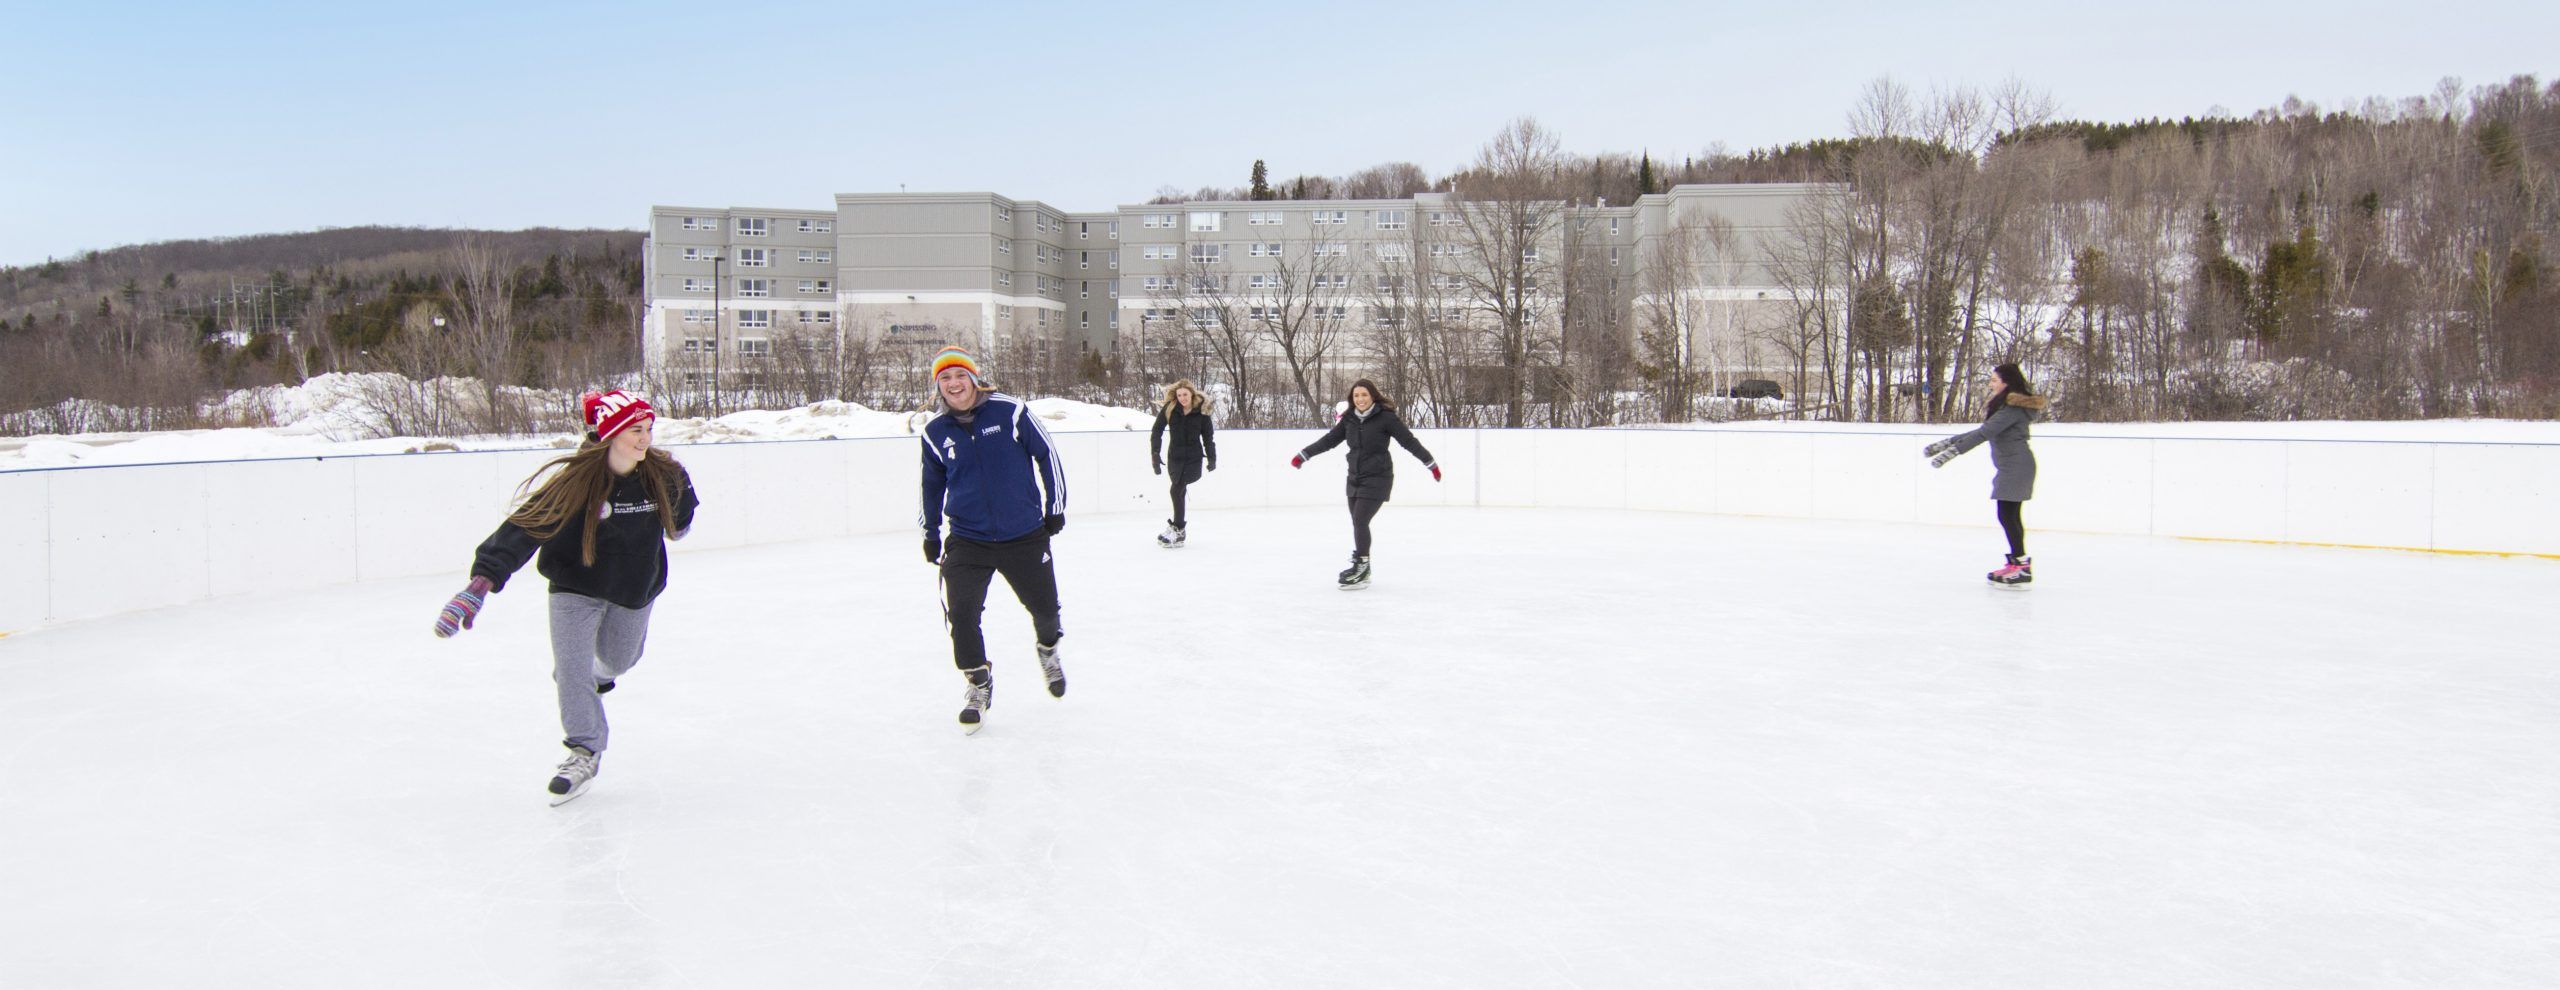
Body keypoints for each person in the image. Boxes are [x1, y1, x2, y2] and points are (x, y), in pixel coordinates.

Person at [432, 389, 700, 804]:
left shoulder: (663, 475)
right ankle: (583, 751)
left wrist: (680, 509)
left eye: (648, 429)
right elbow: (524, 528)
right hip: (575, 587)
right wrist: (480, 584)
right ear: (610, 434)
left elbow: (679, 526)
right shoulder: (576, 483)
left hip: (633, 589)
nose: (645, 439)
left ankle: (594, 677)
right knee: (571, 670)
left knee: (619, 660)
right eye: (635, 431)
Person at [920, 345, 1067, 734]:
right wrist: (930, 532)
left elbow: (1047, 454)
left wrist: (1055, 507)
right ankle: (977, 680)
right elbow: (930, 485)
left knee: (1046, 611)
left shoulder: (1010, 411)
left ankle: (1048, 649)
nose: (954, 383)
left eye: (960, 375)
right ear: (938, 386)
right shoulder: (935, 432)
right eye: (945, 378)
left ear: (974, 379)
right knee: (962, 614)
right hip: (968, 538)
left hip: (1024, 535)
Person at [1290, 378, 1440, 589]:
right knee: (1357, 521)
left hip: (1378, 478)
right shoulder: (1349, 419)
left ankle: (1362, 567)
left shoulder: (1386, 418)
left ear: (1372, 396)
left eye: (1364, 395)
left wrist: (1430, 464)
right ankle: (1363, 566)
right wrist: (1304, 455)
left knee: (1360, 520)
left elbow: (1409, 441)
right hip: (1355, 477)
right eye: (1356, 396)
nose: (1360, 399)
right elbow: (1329, 440)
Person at [1924, 362, 2047, 586]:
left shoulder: (2012, 409)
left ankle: (2021, 566)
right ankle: (2018, 563)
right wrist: (1948, 442)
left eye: (1994, 380)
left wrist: (1952, 452)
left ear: (2006, 382)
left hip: (2016, 466)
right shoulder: (2007, 407)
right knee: (2008, 514)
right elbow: (1984, 430)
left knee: (2007, 514)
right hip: (2012, 466)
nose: (1991, 384)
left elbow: (1985, 433)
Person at [1149, 379, 1217, 548]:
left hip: (1193, 459)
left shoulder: (1202, 411)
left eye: (1185, 394)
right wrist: (1155, 453)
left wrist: (1212, 457)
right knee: (1179, 489)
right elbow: (1157, 430)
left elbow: (1208, 438)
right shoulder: (1170, 409)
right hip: (1175, 458)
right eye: (1179, 395)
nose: (1182, 398)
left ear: (1191, 394)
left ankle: (1178, 529)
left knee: (1176, 489)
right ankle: (1178, 531)